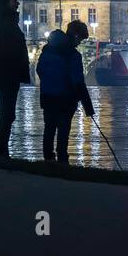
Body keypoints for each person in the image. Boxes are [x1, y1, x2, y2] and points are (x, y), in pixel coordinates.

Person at [36, 19, 95, 164]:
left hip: (47, 95)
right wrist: (88, 107)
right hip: (65, 98)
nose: (79, 43)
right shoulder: (73, 55)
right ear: (76, 36)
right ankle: (62, 158)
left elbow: (39, 70)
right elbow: (78, 81)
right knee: (63, 130)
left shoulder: (47, 49)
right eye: (80, 40)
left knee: (49, 128)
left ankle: (48, 158)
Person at [0, 0, 31, 158]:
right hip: (7, 72)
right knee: (7, 113)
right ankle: (1, 150)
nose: (17, 3)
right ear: (6, 2)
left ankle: (1, 149)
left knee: (7, 112)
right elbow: (5, 49)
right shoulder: (4, 22)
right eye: (14, 0)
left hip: (7, 72)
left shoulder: (2, 20)